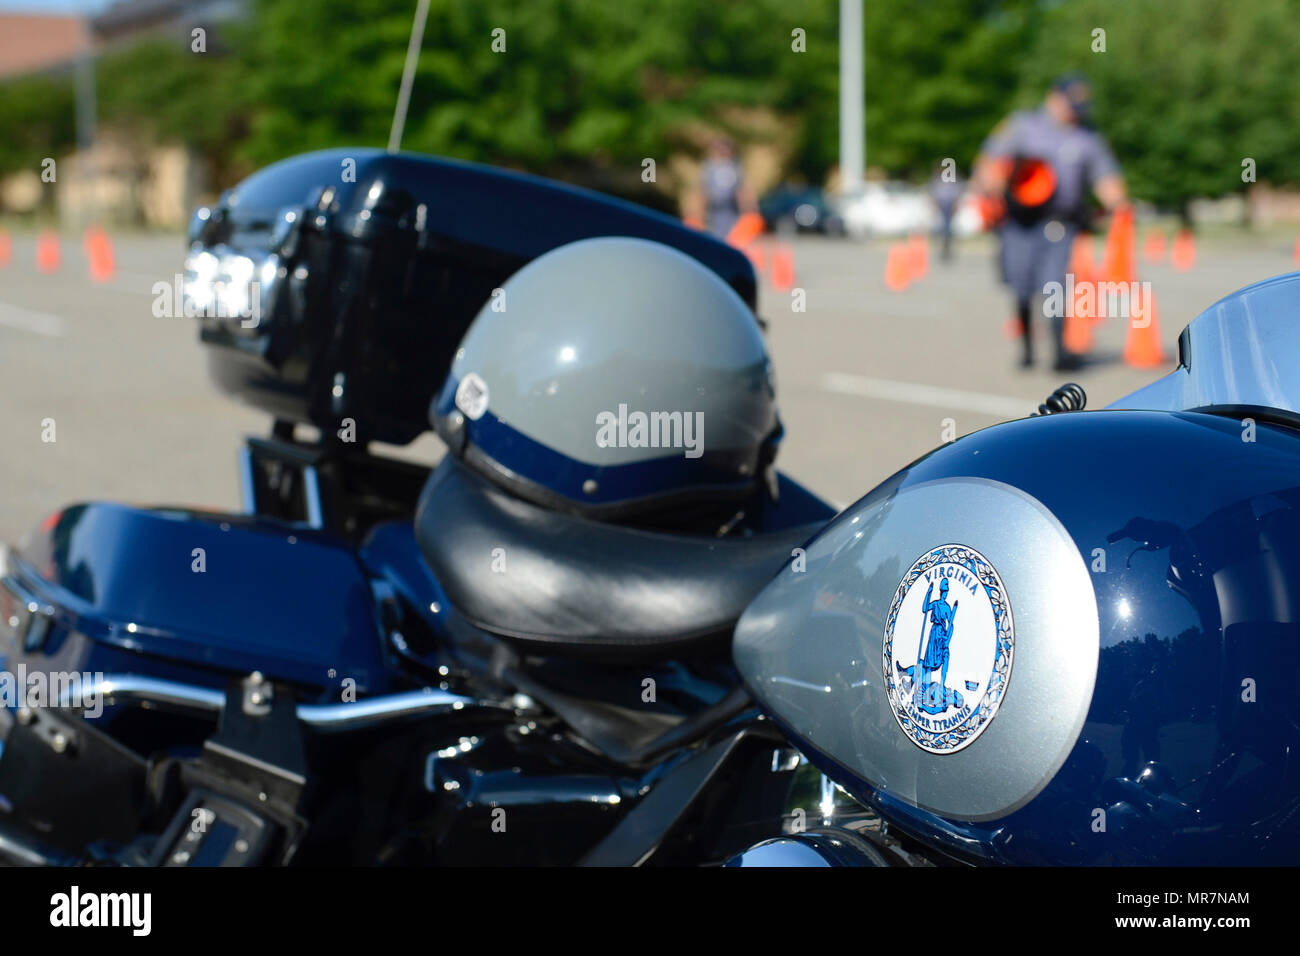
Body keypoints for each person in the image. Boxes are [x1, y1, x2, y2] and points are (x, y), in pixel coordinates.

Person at [973, 74, 1129, 370]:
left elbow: (1106, 178)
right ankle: (1028, 349)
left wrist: (1119, 205)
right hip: (1019, 222)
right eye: (1071, 104)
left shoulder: (1088, 137)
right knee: (1020, 285)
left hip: (1060, 223)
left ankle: (1060, 353)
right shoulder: (1022, 126)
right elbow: (989, 162)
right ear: (1054, 98)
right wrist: (992, 184)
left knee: (1055, 286)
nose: (1075, 111)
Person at [698, 137, 757, 241]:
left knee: (732, 236)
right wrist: (701, 210)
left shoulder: (735, 166)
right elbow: (704, 190)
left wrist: (748, 208)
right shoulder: (709, 167)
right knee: (715, 235)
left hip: (731, 208)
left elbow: (742, 189)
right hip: (714, 208)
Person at [927, 163, 965, 262]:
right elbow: (934, 191)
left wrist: (956, 203)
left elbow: (957, 191)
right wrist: (934, 204)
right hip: (941, 203)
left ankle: (947, 245)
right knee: (942, 225)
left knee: (948, 225)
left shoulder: (953, 178)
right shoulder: (937, 178)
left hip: (950, 203)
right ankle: (944, 244)